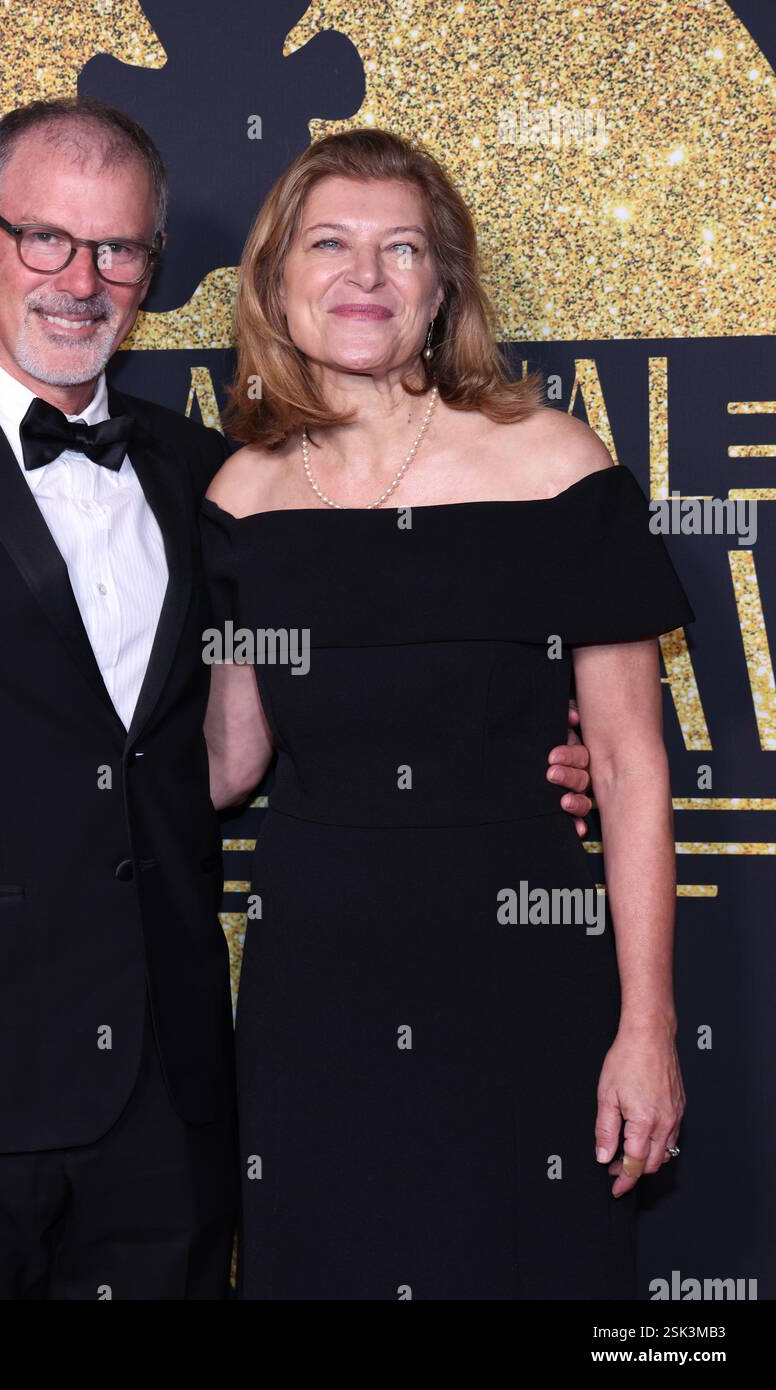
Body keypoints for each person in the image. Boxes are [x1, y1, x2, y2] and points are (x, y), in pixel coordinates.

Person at [0, 97, 592, 1301]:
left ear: (152, 266)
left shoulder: (214, 475)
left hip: (178, 1101)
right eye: (45, 237)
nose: (79, 279)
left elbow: (310, 696)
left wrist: (523, 754)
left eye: (118, 249)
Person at [200, 127, 693, 1299]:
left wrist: (647, 1027)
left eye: (399, 249)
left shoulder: (553, 468)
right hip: (315, 977)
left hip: (520, 967)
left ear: (441, 286)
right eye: (328, 243)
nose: (362, 277)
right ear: (275, 279)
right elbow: (224, 760)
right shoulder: (238, 492)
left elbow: (626, 768)